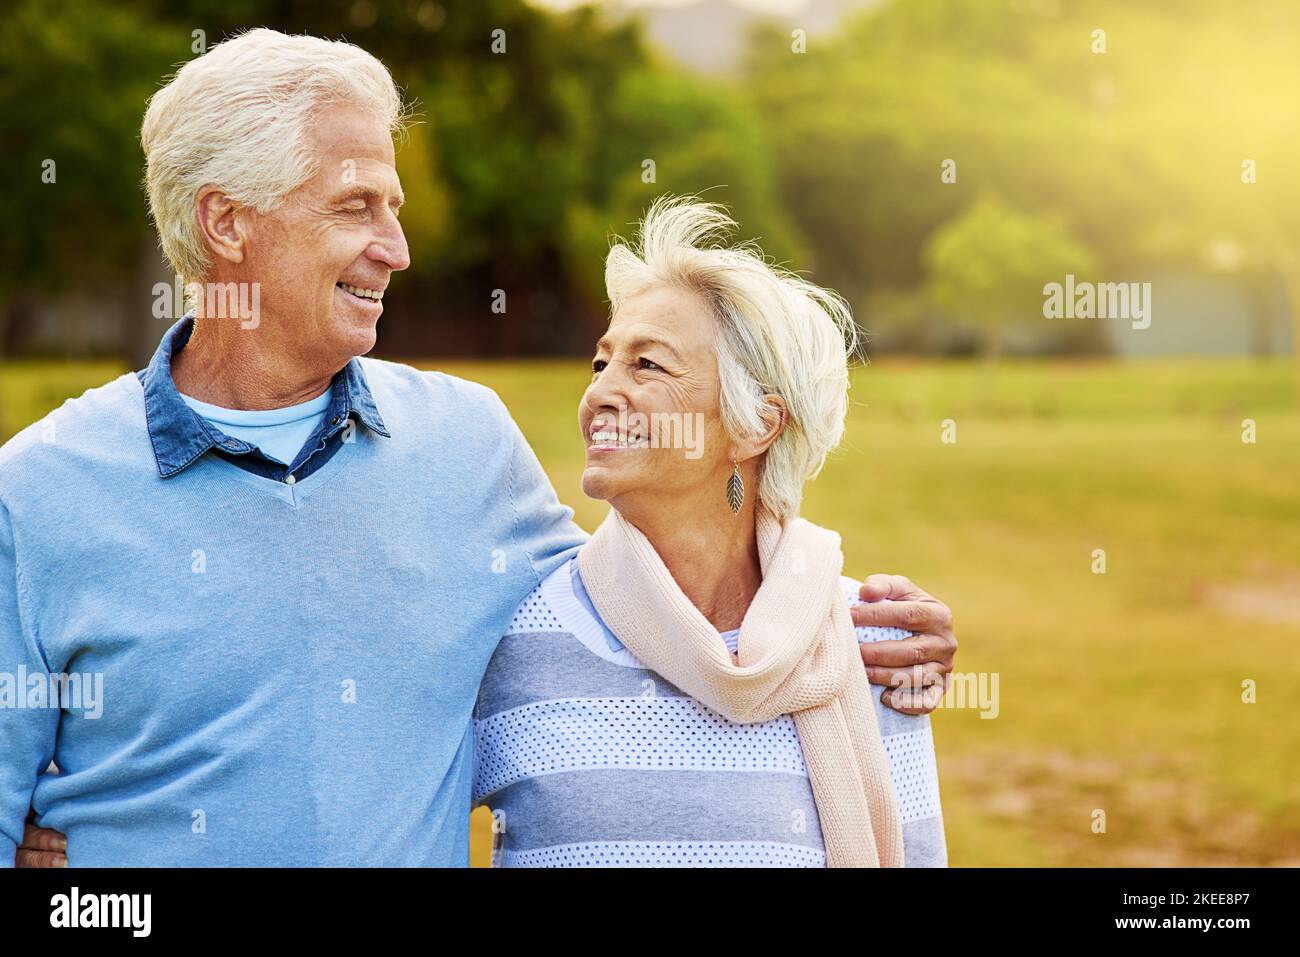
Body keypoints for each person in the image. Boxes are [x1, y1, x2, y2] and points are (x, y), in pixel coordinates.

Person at [5, 30, 956, 868]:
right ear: (226, 222)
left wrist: (831, 614)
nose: (399, 247)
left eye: (395, 205)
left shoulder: (465, 446)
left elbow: (638, 593)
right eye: (356, 207)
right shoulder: (40, 494)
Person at [472, 198, 945, 867]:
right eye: (601, 362)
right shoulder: (511, 631)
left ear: (756, 425)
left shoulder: (874, 643)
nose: (603, 390)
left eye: (648, 365)